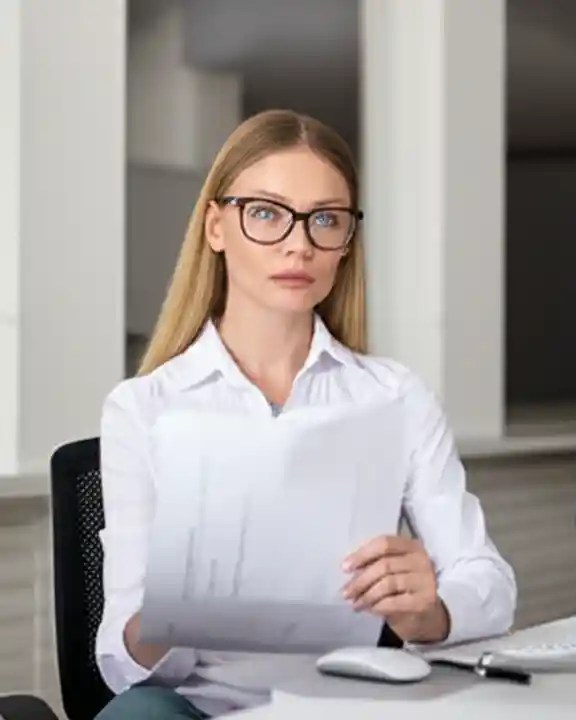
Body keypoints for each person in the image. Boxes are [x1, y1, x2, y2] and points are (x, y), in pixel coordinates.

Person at [93, 109, 517, 719]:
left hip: (358, 701)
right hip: (205, 711)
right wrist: (175, 606)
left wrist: (429, 609)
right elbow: (118, 660)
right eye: (266, 213)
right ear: (217, 225)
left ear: (346, 241)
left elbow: (491, 582)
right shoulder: (143, 408)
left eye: (326, 219)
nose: (299, 243)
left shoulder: (394, 396)